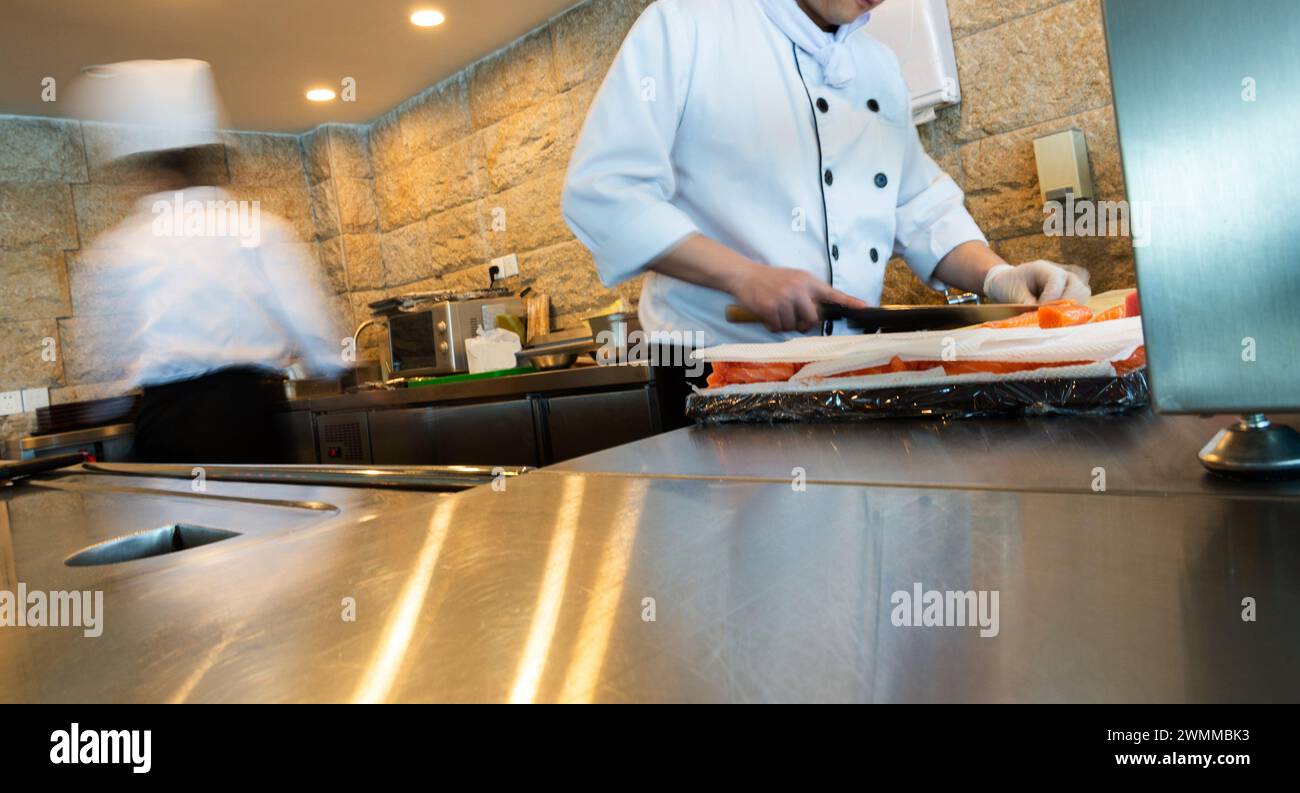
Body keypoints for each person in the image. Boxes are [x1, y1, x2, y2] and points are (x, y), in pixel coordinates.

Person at [563, 0, 1091, 344]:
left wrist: (997, 276)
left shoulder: (878, 66)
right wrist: (744, 277)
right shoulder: (686, 23)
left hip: (848, 370)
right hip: (712, 375)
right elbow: (605, 191)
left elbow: (917, 205)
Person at [69, 60, 346, 463]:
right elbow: (320, 342)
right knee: (272, 522)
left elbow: (103, 370)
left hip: (164, 427)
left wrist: (110, 404)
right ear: (208, 159)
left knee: (179, 524)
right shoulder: (260, 230)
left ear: (147, 168)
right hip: (246, 421)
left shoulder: (120, 249)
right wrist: (331, 368)